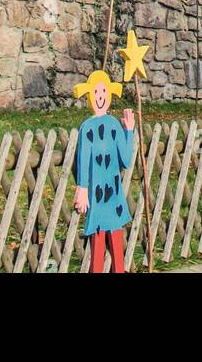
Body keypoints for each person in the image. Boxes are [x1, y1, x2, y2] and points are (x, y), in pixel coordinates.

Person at [73, 70, 136, 273]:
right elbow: (83, 158)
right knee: (98, 244)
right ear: (91, 95)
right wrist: (82, 189)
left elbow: (125, 160)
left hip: (114, 195)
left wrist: (129, 131)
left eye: (103, 92)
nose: (100, 97)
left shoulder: (114, 125)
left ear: (109, 94)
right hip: (97, 197)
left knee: (117, 242)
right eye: (96, 92)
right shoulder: (88, 128)